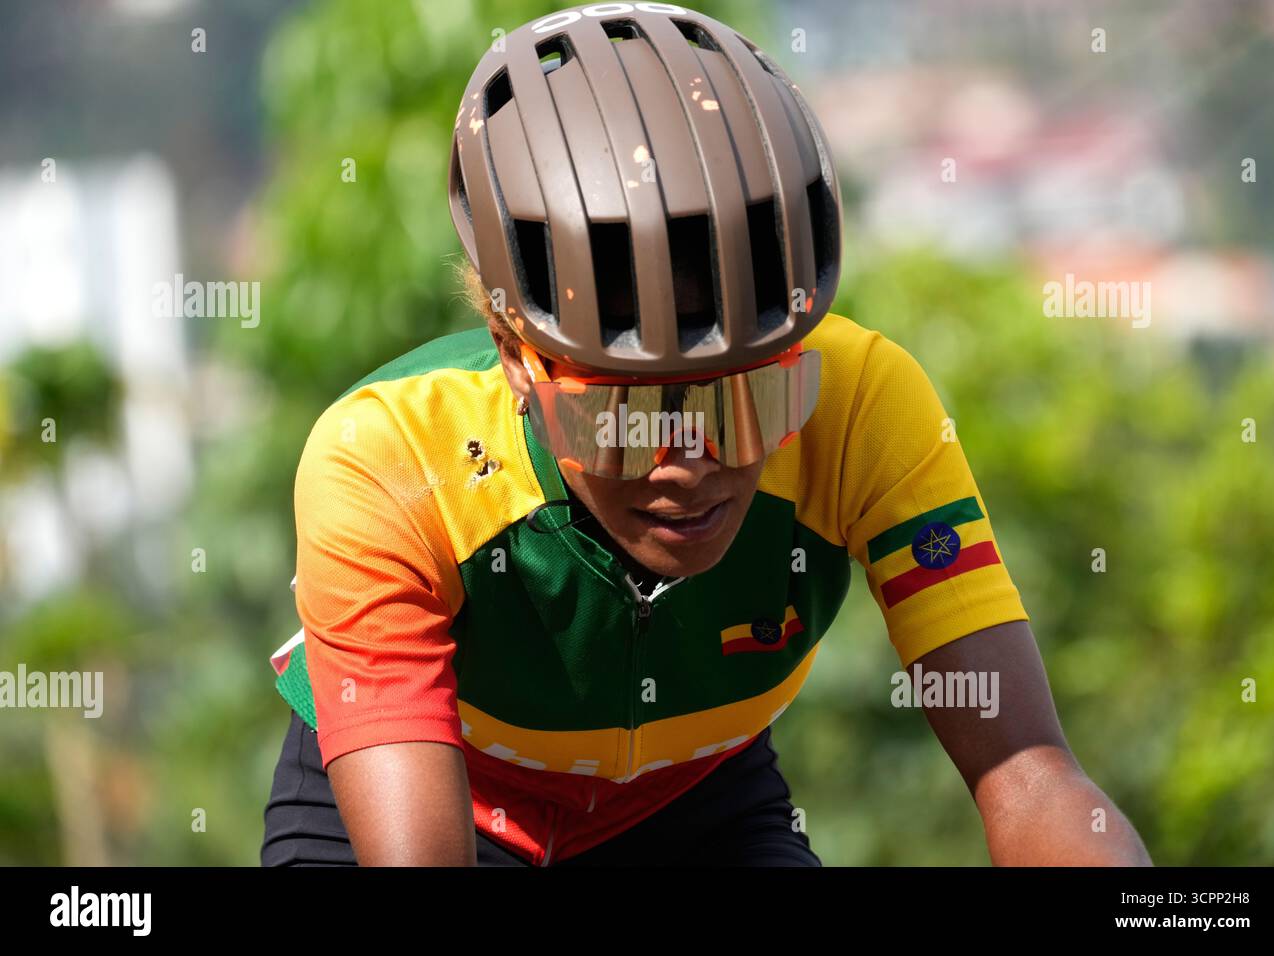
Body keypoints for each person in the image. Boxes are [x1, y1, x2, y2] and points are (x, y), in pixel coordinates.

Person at [261, 2, 1151, 867]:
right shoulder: (384, 461)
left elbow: (1028, 779)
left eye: (746, 405)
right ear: (517, 357)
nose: (688, 468)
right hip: (444, 793)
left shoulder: (863, 403)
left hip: (688, 803)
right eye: (624, 418)